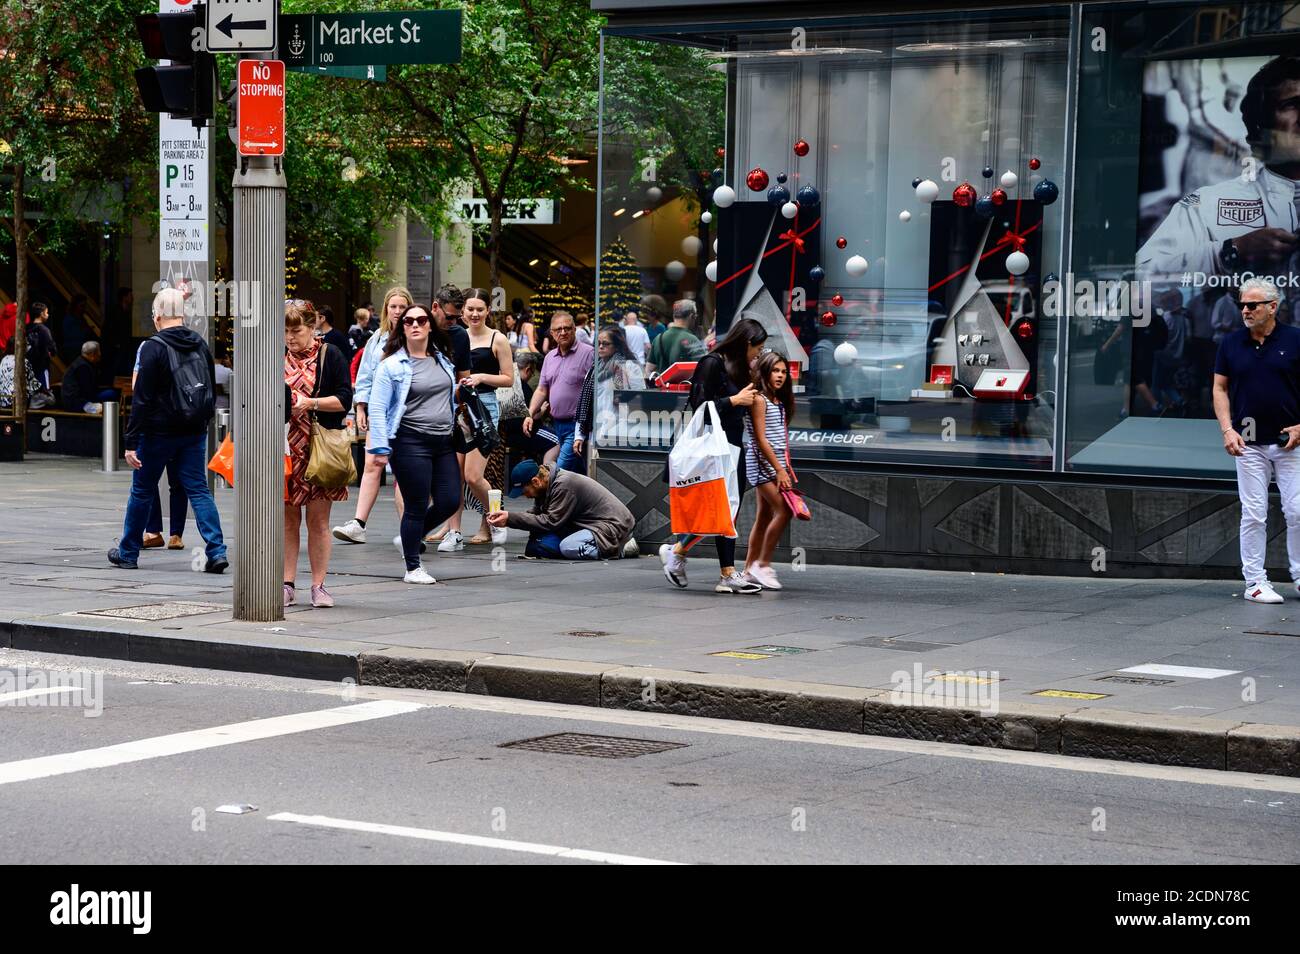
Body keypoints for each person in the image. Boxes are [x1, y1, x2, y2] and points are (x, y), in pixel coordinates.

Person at [1138, 56, 1300, 286]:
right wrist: (1230, 252)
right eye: (1291, 105)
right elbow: (1140, 276)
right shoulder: (1207, 204)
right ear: (1258, 131)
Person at [108, 288, 226, 572]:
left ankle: (128, 552)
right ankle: (217, 551)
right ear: (182, 315)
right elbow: (209, 387)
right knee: (199, 490)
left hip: (157, 432)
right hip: (193, 430)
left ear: (157, 315)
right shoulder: (199, 343)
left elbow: (142, 398)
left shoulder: (153, 347)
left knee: (142, 490)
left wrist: (131, 441)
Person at [659, 317, 768, 595]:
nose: (758, 354)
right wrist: (734, 400)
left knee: (728, 511)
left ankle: (720, 569)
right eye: (757, 348)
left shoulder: (740, 369)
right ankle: (683, 555)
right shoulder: (712, 363)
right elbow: (700, 406)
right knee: (719, 509)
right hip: (712, 449)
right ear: (745, 343)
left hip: (733, 447)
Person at [1215, 276, 1300, 602]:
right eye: (1242, 305)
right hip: (1247, 441)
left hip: (1288, 441)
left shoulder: (1294, 340)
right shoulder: (1231, 343)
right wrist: (1227, 429)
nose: (1245, 310)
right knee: (1253, 512)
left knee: (1296, 510)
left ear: (1272, 307)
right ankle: (1254, 582)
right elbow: (1219, 388)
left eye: (1253, 305)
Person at [366, 303, 462, 584]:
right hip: (409, 442)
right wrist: (380, 449)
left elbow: (446, 394)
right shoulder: (391, 365)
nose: (415, 325)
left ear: (431, 325)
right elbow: (378, 408)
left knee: (449, 500)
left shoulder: (442, 359)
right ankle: (412, 567)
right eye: (409, 321)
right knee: (416, 504)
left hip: (443, 440)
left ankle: (411, 535)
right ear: (402, 327)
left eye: (422, 320)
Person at [283, 301, 353, 608]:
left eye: (296, 330)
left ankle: (318, 584)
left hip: (318, 447)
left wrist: (309, 403)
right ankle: (286, 583)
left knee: (318, 520)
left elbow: (344, 399)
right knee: (287, 520)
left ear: (313, 327)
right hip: (285, 447)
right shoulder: (274, 358)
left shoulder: (330, 354)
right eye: (285, 331)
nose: (290, 337)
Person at [332, 286, 412, 545]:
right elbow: (365, 374)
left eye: (402, 306)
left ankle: (409, 530)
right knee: (372, 464)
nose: (398, 311)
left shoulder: (416, 334)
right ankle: (358, 523)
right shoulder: (377, 337)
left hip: (407, 411)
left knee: (404, 472)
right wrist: (361, 406)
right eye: (393, 306)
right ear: (386, 309)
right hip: (379, 409)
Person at [446, 288, 514, 547]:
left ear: (488, 311)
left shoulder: (498, 339)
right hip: (456, 407)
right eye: (470, 309)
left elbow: (508, 378)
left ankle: (497, 519)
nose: (474, 314)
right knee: (454, 475)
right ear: (462, 311)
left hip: (484, 407)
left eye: (479, 309)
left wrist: (482, 377)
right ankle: (453, 531)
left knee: (474, 475)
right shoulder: (454, 337)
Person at [487, 460, 635, 560]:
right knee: (544, 544)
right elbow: (538, 514)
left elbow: (550, 521)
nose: (525, 496)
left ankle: (620, 548)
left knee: (567, 546)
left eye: (524, 491)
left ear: (535, 481)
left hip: (612, 526)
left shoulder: (564, 485)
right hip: (590, 524)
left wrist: (510, 518)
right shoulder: (547, 485)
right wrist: (507, 517)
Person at [742, 351, 796, 590]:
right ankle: (763, 565)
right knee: (784, 511)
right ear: (765, 371)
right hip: (762, 465)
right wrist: (778, 470)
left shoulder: (778, 402)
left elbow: (778, 439)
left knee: (764, 516)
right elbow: (761, 440)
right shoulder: (760, 400)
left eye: (784, 372)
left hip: (774, 464)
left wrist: (786, 467)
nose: (781, 376)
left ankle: (748, 570)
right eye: (775, 370)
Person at [523, 310, 592, 475]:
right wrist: (530, 413)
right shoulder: (549, 357)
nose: (563, 332)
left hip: (577, 425)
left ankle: (549, 501)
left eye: (567, 328)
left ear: (574, 329)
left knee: (559, 472)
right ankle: (580, 501)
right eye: (558, 329)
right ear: (552, 333)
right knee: (576, 472)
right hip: (557, 424)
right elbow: (541, 389)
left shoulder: (589, 353)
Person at [574, 325, 645, 455]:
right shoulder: (593, 370)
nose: (600, 347)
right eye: (598, 343)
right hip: (595, 433)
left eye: (605, 344)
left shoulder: (629, 367)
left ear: (617, 345)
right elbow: (584, 404)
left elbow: (639, 399)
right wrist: (579, 436)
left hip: (621, 434)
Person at [647, 299, 705, 375]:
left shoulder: (658, 338)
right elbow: (704, 368)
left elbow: (649, 369)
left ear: (674, 316)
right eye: (696, 316)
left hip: (662, 386)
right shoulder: (692, 339)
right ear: (692, 316)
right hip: (684, 386)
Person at [60, 341, 117, 413]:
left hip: (78, 399)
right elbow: (87, 391)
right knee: (111, 394)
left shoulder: (81, 362)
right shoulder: (83, 367)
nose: (100, 354)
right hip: (77, 403)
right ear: (93, 355)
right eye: (99, 352)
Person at [25, 302, 56, 391]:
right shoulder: (44, 330)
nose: (48, 315)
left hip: (27, 366)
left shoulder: (25, 328)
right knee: (44, 393)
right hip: (42, 366)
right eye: (46, 312)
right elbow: (52, 348)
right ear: (41, 314)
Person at [60, 294, 91, 364]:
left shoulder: (81, 319)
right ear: (75, 306)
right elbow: (69, 335)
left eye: (84, 306)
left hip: (80, 349)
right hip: (72, 350)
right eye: (82, 306)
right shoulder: (69, 319)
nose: (84, 308)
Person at [214, 346, 232, 412]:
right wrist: (230, 366)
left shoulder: (206, 370)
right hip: (226, 406)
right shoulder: (228, 371)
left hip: (210, 405)